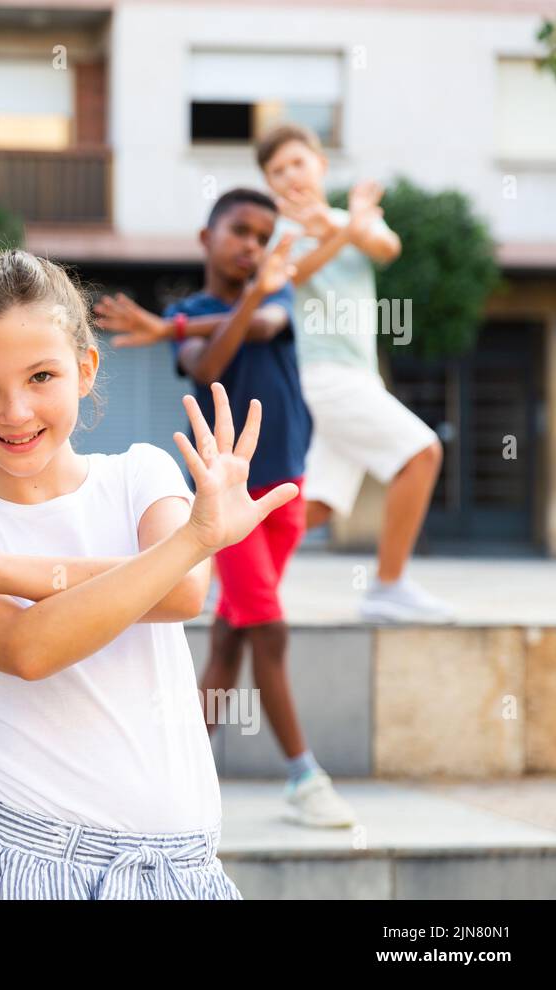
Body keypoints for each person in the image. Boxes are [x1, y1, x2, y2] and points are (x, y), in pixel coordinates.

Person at [0, 250, 298, 899]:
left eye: (41, 376)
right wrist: (188, 544)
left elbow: (180, 591)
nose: (15, 410)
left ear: (85, 368)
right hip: (31, 864)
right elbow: (30, 650)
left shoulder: (141, 474)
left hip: (182, 870)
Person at [158, 188, 356, 827]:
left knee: (232, 636)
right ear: (205, 238)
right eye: (240, 230)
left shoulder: (275, 299)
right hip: (229, 500)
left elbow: (265, 327)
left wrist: (245, 301)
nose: (252, 245)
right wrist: (184, 324)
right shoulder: (190, 311)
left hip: (285, 493)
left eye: (263, 235)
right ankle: (304, 776)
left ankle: (175, 778)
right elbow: (209, 362)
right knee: (268, 627)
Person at [258, 124, 449, 622]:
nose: (288, 176)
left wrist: (345, 223)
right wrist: (341, 228)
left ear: (320, 164)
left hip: (358, 376)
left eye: (297, 163)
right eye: (276, 171)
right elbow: (298, 274)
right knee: (422, 453)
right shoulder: (282, 232)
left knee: (315, 505)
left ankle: (227, 574)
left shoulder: (347, 220)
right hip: (324, 376)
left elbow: (387, 247)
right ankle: (388, 587)